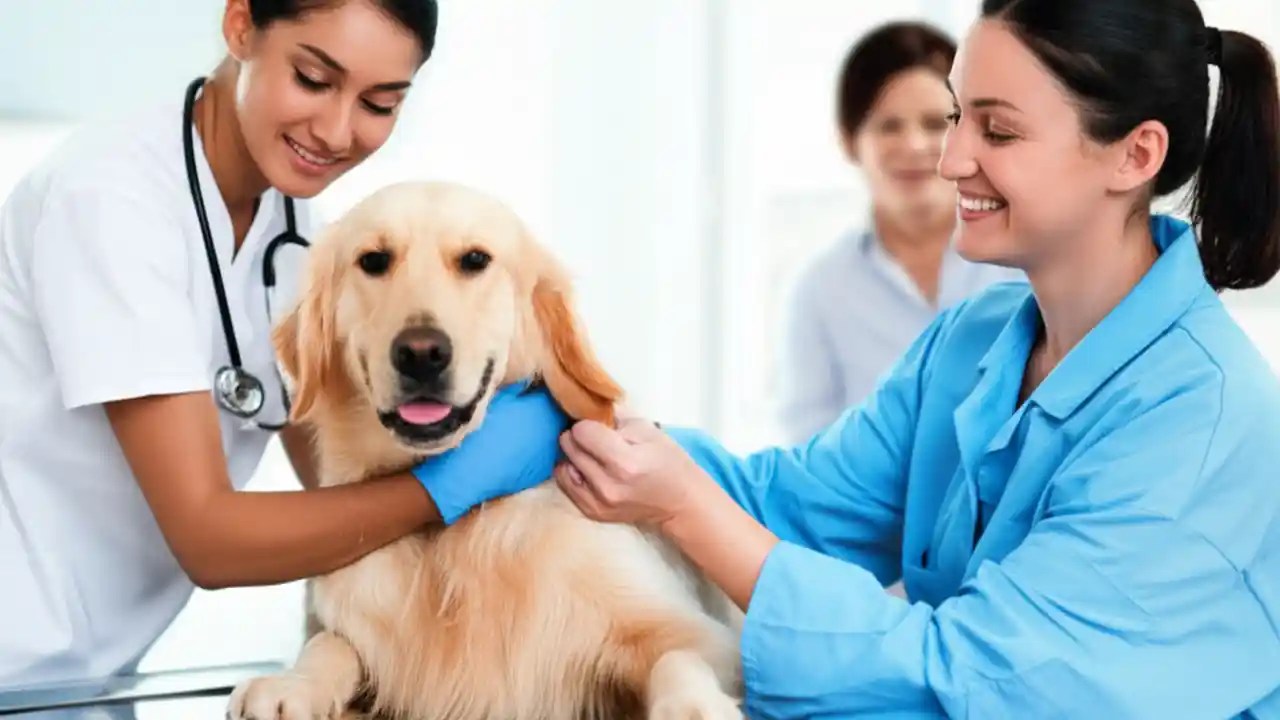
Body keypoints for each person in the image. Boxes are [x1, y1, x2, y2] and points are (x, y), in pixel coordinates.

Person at [550, 1, 1280, 717]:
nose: (949, 158)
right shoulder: (970, 341)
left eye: (998, 130)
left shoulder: (1200, 425)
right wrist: (574, 426)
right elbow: (795, 506)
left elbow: (973, 679)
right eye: (958, 115)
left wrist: (683, 505)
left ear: (1135, 154)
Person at [0, 0, 566, 690]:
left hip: (84, 679)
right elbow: (210, 540)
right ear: (240, 25)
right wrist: (449, 485)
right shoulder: (110, 200)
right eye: (312, 79)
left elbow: (339, 486)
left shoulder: (298, 231)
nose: (336, 131)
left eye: (379, 104)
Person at [776, 21, 1020, 443]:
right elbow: (810, 446)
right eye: (889, 126)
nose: (914, 145)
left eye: (935, 123)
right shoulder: (823, 290)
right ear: (849, 141)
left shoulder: (1022, 262)